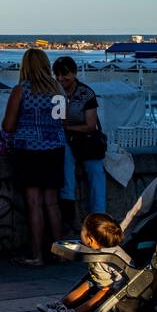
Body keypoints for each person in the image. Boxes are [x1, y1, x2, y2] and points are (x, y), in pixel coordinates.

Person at [1, 48, 67, 267]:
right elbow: (61, 122)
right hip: (55, 149)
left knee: (34, 203)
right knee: (52, 203)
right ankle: (60, 253)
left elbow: (8, 126)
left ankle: (37, 255)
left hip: (30, 150)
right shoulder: (58, 90)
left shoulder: (21, 90)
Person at [39, 213, 130, 312]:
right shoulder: (94, 248)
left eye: (82, 230)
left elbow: (124, 276)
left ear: (91, 240)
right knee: (85, 285)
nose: (80, 232)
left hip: (112, 289)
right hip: (97, 282)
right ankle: (61, 305)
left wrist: (112, 289)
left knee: (101, 293)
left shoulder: (113, 257)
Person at [53, 56, 108, 221]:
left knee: (96, 173)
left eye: (65, 74)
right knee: (66, 161)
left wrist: (68, 128)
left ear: (74, 73)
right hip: (65, 141)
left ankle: (99, 216)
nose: (61, 79)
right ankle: (67, 201)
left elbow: (90, 125)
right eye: (58, 75)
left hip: (86, 142)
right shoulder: (55, 93)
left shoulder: (86, 93)